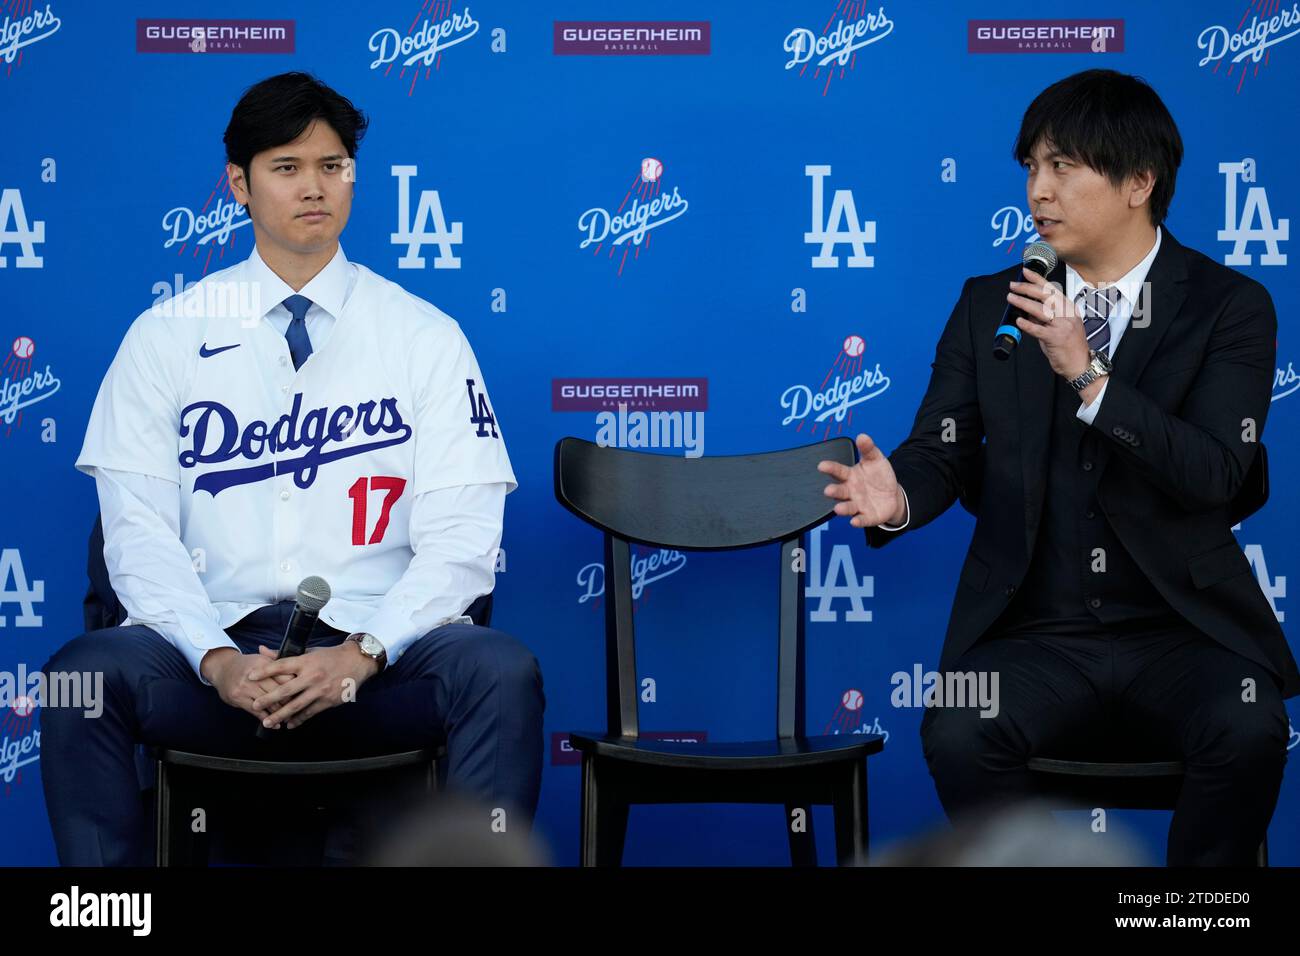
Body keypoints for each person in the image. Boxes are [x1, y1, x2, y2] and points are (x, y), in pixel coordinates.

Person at [39, 72, 545, 866]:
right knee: (79, 677)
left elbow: (462, 545)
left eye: (333, 165)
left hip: (374, 666)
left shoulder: (425, 336)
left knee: (500, 671)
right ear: (239, 183)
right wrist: (218, 660)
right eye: (287, 167)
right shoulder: (164, 335)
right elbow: (134, 537)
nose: (315, 187)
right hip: (214, 660)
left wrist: (362, 652)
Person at [818, 69, 1298, 866]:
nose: (1039, 191)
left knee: (1250, 726)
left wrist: (1090, 376)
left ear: (1140, 182)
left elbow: (1216, 472)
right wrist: (899, 494)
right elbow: (943, 446)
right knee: (961, 727)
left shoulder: (1229, 306)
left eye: (1064, 167)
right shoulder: (989, 306)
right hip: (1038, 634)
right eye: (1032, 167)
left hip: (1185, 632)